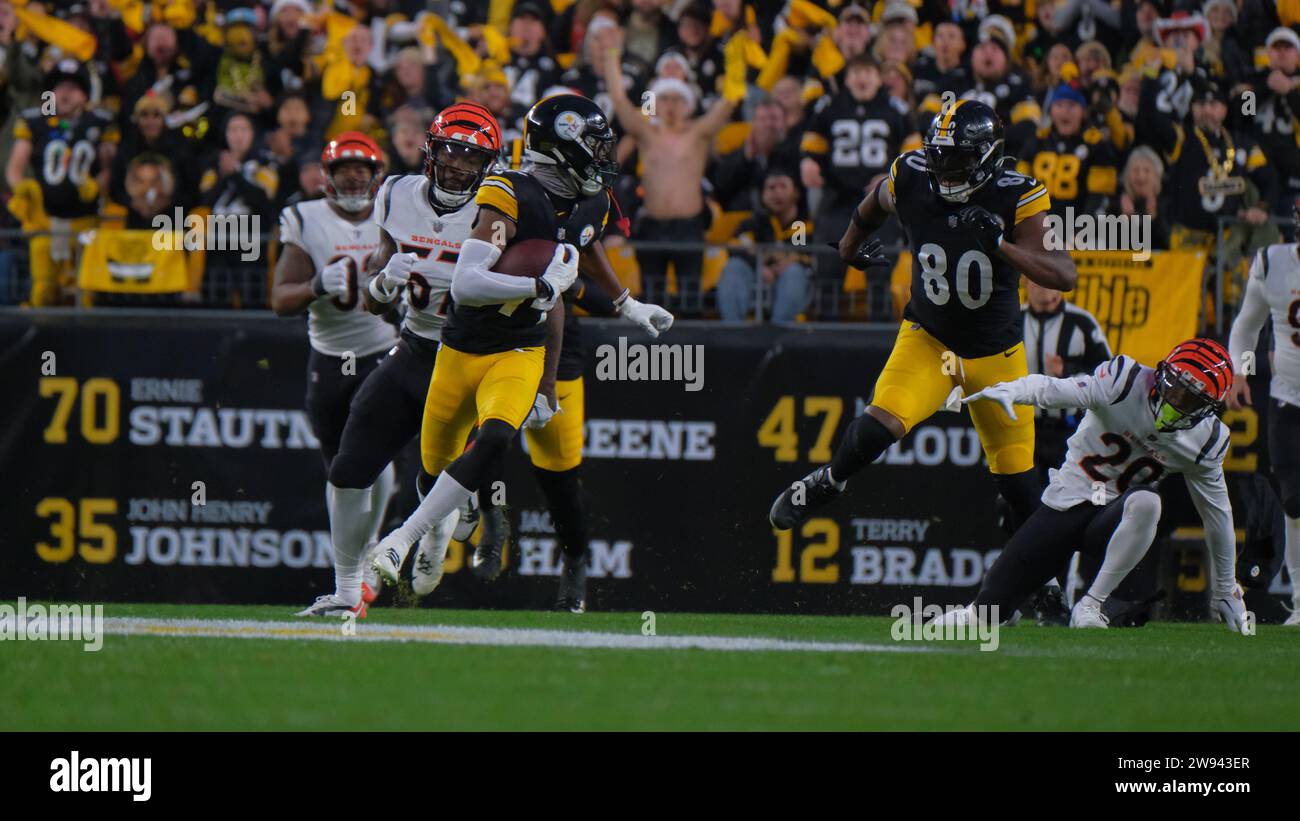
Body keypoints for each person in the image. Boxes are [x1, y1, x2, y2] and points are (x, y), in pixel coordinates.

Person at [370, 94, 672, 599]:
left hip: (531, 344)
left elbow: (585, 241)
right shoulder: (509, 191)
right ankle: (467, 516)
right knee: (440, 461)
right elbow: (477, 284)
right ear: (562, 149)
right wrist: (542, 288)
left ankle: (421, 537)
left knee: (521, 453)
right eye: (592, 146)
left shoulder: (589, 197)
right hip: (468, 340)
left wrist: (626, 304)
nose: (602, 157)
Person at [770, 101, 1077, 535]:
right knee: (881, 425)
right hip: (930, 338)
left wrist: (1001, 244)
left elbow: (1065, 274)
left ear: (987, 156)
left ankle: (1039, 581)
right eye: (938, 155)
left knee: (1019, 484)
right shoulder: (913, 174)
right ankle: (828, 481)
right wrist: (848, 246)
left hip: (996, 354)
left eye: (957, 160)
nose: (944, 169)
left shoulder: (1017, 194)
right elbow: (874, 201)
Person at [319, 103, 505, 605]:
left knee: (433, 473)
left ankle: (441, 530)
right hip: (415, 346)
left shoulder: (504, 207)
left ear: (489, 164)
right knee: (348, 466)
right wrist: (381, 282)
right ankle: (343, 591)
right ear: (431, 152)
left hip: (468, 357)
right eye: (452, 153)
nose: (461, 166)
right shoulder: (397, 194)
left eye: (472, 157)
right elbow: (375, 301)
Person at [954, 340, 1247, 633]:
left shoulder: (1206, 441)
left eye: (1190, 398)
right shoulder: (1125, 382)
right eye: (1174, 385)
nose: (1176, 399)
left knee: (1147, 501)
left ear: (1208, 409)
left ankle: (1092, 604)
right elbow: (1055, 389)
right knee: (985, 612)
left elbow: (1218, 515)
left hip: (1112, 521)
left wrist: (1225, 587)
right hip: (1066, 505)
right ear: (1162, 372)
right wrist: (1015, 390)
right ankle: (1043, 590)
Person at [270, 132, 395, 618]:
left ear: (376, 176)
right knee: (343, 473)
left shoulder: (395, 213)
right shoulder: (306, 219)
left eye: (362, 171)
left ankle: (363, 563)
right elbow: (281, 299)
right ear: (326, 177)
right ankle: (351, 573)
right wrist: (315, 285)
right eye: (344, 170)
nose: (354, 178)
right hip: (328, 359)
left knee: (375, 460)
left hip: (384, 353)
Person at [602, 36, 738, 315]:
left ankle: (692, 354)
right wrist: (611, 53)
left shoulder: (698, 133)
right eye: (664, 98)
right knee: (652, 297)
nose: (671, 104)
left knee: (690, 300)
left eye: (677, 98)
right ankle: (654, 355)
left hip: (689, 227)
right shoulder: (645, 132)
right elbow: (618, 97)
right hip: (652, 225)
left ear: (688, 103)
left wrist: (736, 62)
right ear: (656, 101)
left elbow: (729, 102)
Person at [1227, 199, 1300, 626]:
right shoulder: (1273, 263)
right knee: (1293, 501)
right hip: (1288, 398)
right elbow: (1246, 326)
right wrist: (1241, 373)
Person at [1022, 279, 1113, 489]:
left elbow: (1108, 375)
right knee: (1020, 498)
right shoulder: (1014, 320)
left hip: (1069, 430)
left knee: (1068, 497)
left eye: (1048, 277)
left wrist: (1068, 370)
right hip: (1023, 429)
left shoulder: (1081, 322)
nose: (1043, 284)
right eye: (1037, 278)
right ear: (1025, 281)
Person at [717, 167, 813, 322]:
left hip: (793, 285)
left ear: (796, 192)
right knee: (734, 267)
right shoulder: (754, 223)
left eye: (783, 186)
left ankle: (780, 335)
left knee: (793, 272)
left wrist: (786, 264)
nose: (777, 193)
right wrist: (759, 266)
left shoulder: (800, 226)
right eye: (771, 188)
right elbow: (736, 247)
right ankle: (732, 330)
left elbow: (803, 255)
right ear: (762, 195)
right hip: (757, 280)